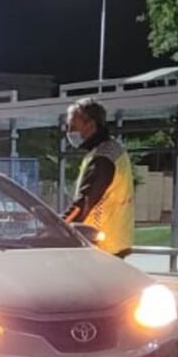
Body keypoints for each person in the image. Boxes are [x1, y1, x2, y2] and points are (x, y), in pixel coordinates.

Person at [61, 97, 135, 258]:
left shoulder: (103, 157)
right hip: (115, 240)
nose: (69, 132)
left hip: (100, 242)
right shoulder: (111, 150)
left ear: (91, 125)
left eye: (73, 126)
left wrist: (59, 226)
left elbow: (85, 201)